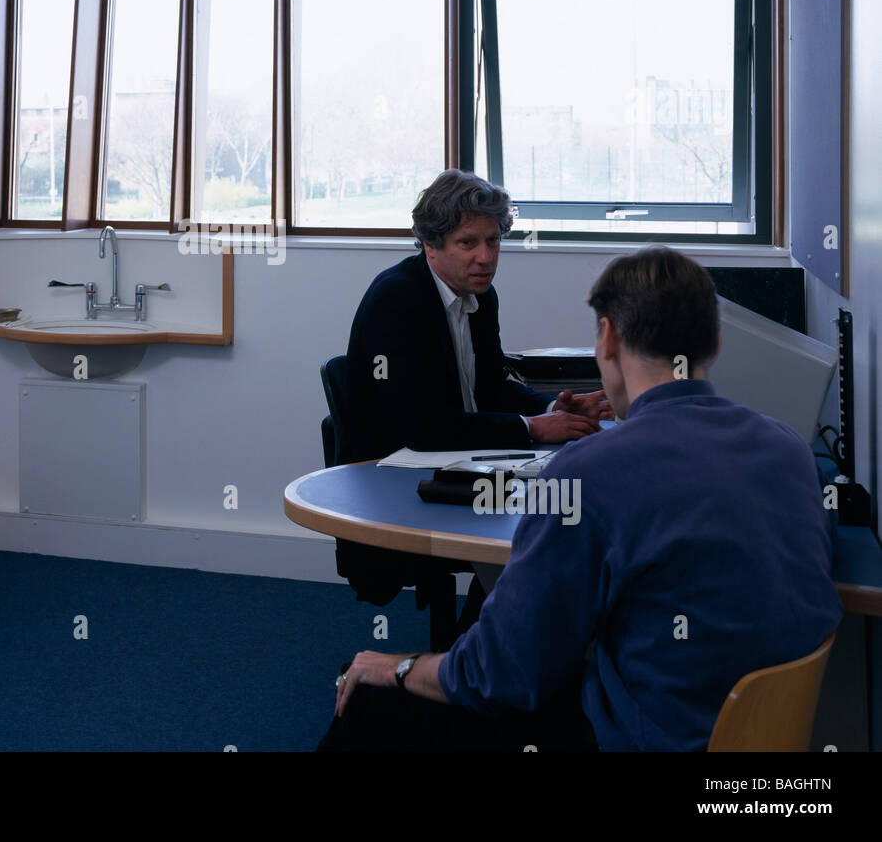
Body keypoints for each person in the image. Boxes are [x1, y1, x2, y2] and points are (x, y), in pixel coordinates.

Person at [320, 245, 843, 751]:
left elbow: (499, 676)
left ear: (607, 341)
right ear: (716, 344)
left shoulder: (586, 475)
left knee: (369, 694)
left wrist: (396, 666)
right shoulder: (791, 450)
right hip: (767, 741)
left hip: (644, 735)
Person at [335, 169, 609, 626]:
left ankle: (485, 657)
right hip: (399, 480)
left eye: (494, 242)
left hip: (463, 461)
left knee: (557, 512)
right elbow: (422, 428)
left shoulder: (480, 294)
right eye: (468, 243)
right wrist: (532, 429)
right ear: (431, 243)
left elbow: (490, 386)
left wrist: (549, 406)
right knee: (535, 525)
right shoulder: (396, 299)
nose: (486, 258)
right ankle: (473, 666)